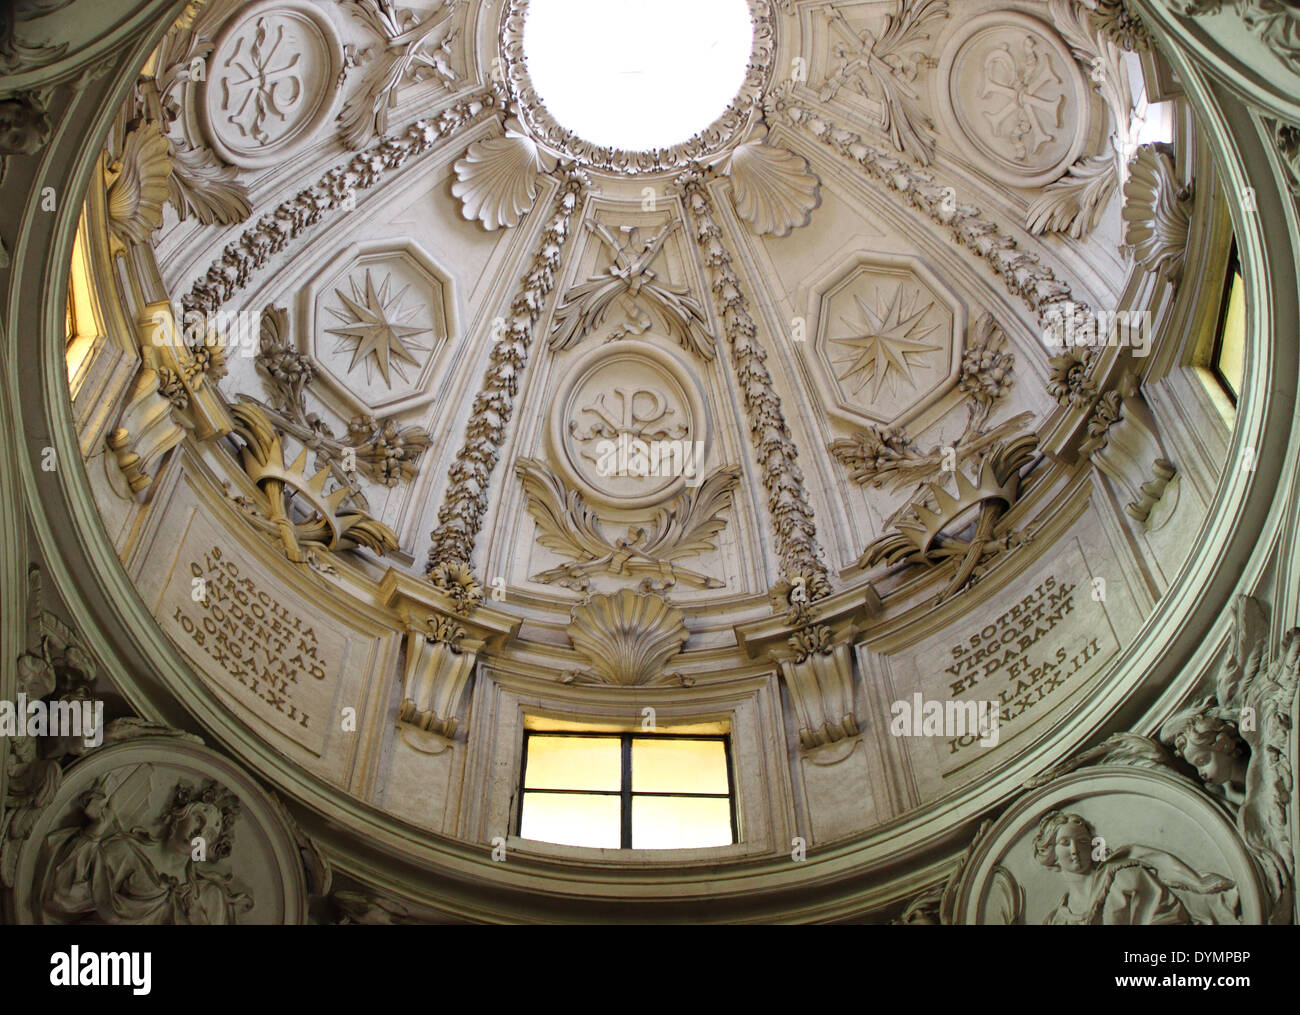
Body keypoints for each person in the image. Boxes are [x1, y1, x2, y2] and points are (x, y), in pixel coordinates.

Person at [42, 777, 253, 925]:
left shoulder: (206, 895)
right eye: (197, 819)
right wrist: (94, 832)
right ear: (175, 815)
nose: (198, 833)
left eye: (208, 834)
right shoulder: (125, 853)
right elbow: (61, 897)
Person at [1032, 810, 1239, 925]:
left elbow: (1169, 918)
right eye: (1065, 843)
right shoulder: (1056, 921)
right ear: (1051, 854)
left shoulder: (1126, 878)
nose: (1075, 850)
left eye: (1083, 842)